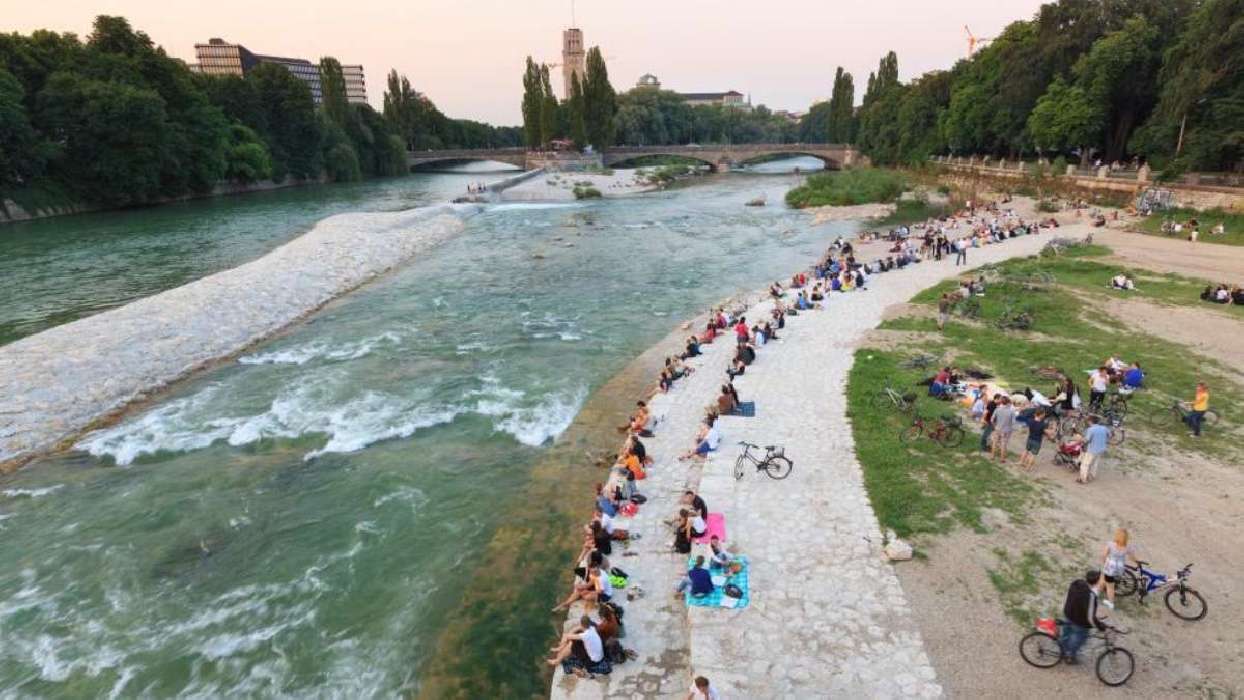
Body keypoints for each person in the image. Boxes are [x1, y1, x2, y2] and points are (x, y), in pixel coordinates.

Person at [1060, 570, 1108, 664]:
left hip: (1068, 614)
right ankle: (1070, 656)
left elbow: (1081, 604)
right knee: (1079, 638)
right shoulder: (1090, 595)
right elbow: (1090, 618)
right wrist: (1100, 626)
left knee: (1066, 634)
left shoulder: (1077, 584)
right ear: (1097, 582)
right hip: (1079, 622)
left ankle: (1062, 649)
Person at [1099, 528, 1137, 608]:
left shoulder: (1111, 544)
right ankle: (1097, 591)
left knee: (1110, 587)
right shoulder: (1128, 547)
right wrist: (1137, 562)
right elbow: (1132, 557)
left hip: (1110, 567)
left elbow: (1104, 555)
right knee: (1103, 578)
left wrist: (1104, 562)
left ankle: (1111, 603)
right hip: (1119, 568)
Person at [1078, 415, 1110, 484]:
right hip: (1101, 449)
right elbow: (1110, 435)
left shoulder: (1091, 429)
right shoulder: (1104, 428)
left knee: (1085, 464)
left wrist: (1080, 439)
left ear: (1090, 421)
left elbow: (1086, 440)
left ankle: (1083, 479)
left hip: (1092, 449)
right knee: (1095, 463)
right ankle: (1091, 476)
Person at [1019, 407, 1052, 472]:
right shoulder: (1043, 424)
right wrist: (1052, 431)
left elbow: (1026, 428)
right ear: (1041, 415)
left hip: (1030, 438)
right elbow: (1047, 433)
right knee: (1033, 455)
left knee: (1026, 450)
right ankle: (1028, 467)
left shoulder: (1030, 421)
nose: (1044, 415)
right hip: (1037, 441)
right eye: (1044, 414)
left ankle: (1021, 462)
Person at [991, 395, 1015, 463]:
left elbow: (992, 419)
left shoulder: (997, 409)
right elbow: (1013, 422)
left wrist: (994, 426)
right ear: (1008, 403)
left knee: (995, 442)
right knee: (1003, 444)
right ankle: (1002, 459)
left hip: (997, 428)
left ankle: (992, 456)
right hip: (1006, 430)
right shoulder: (1011, 411)